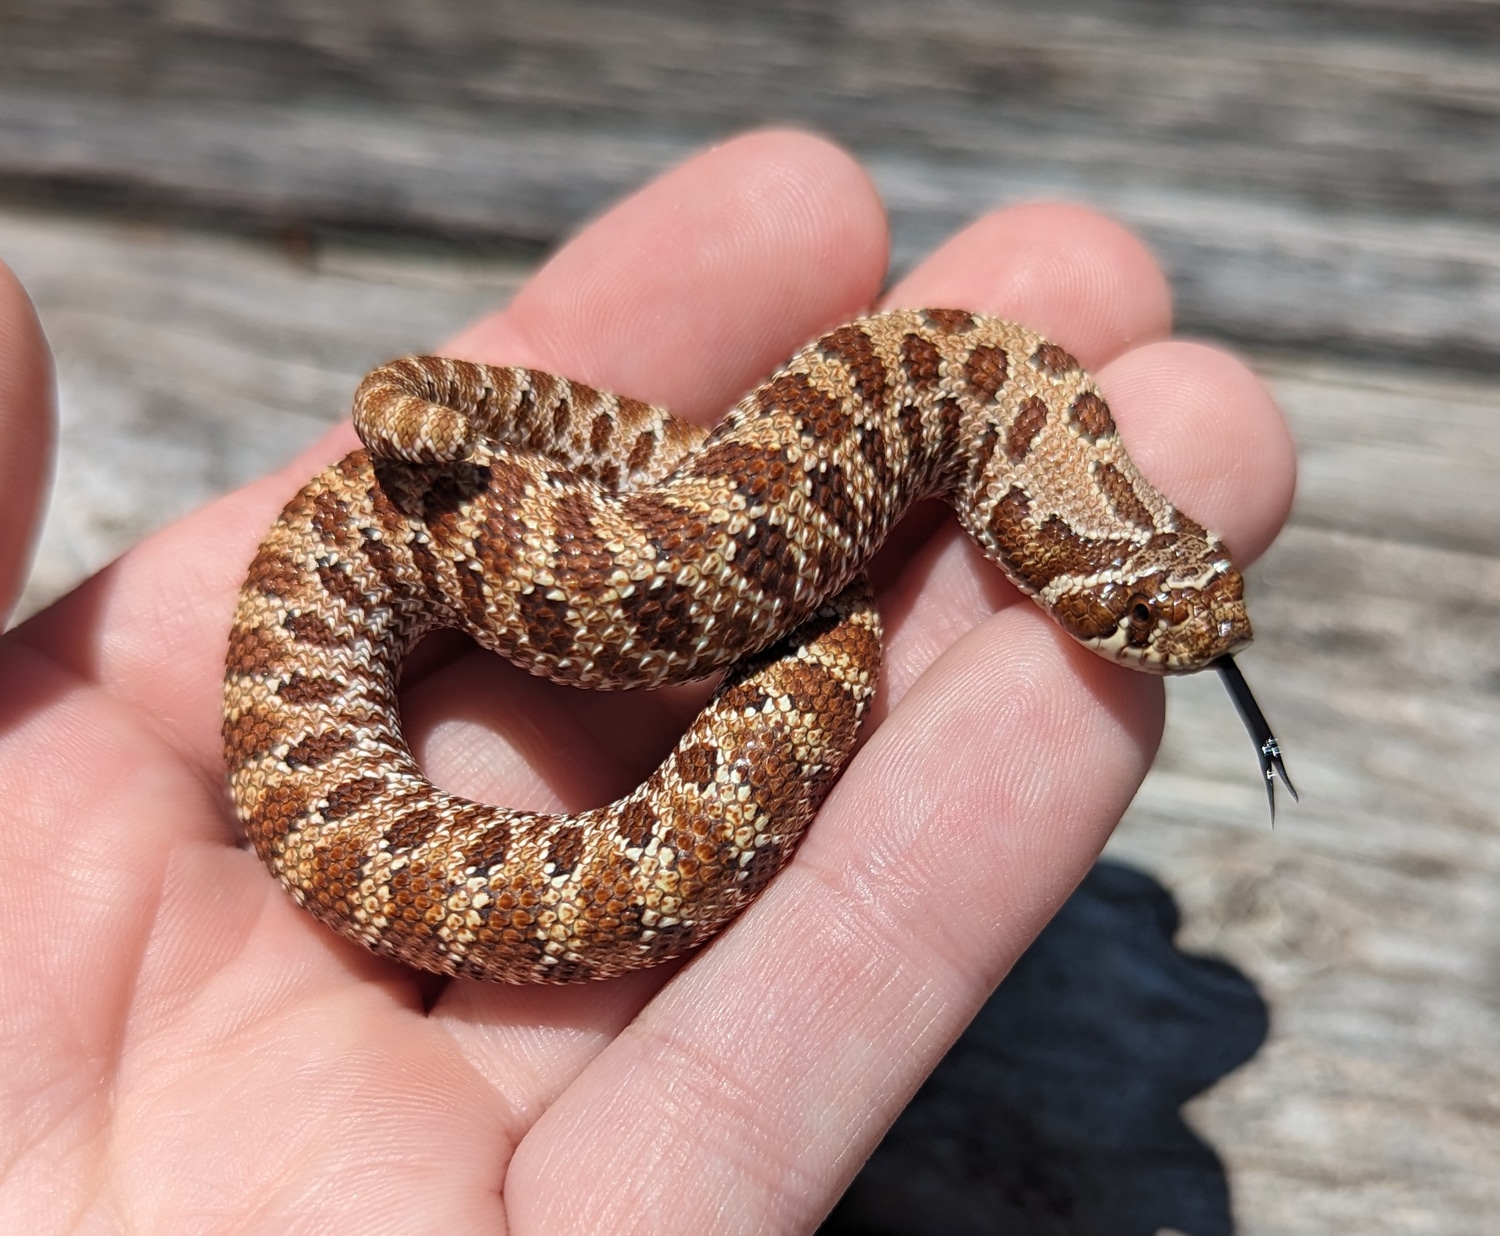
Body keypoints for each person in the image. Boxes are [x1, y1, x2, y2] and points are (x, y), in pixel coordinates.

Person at [0, 131, 1295, 1232]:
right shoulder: (960, 383)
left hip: (631, 578)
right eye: (1138, 610)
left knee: (828, 634)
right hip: (345, 651)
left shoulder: (1008, 398)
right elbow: (415, 426)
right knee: (806, 620)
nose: (1177, 632)